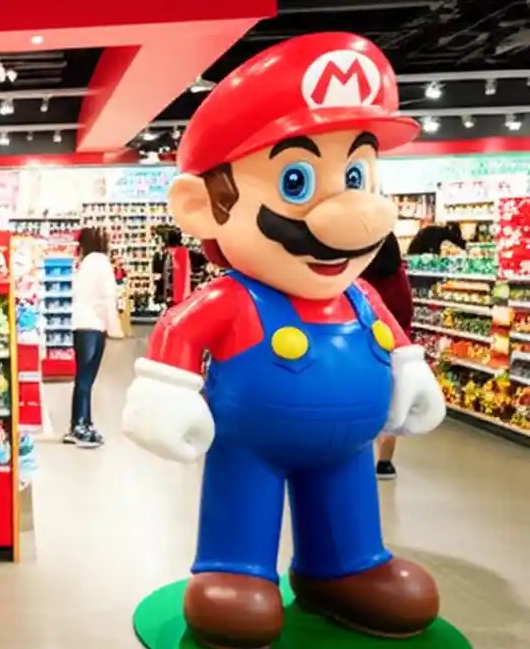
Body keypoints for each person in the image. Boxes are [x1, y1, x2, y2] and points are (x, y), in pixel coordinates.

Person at [120, 33, 445, 647]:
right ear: (203, 205)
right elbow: (179, 331)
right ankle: (234, 567)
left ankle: (346, 566)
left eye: (356, 175)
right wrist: (166, 396)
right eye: (296, 180)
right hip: (251, 445)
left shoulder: (360, 294)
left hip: (349, 446)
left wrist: (409, 371)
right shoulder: (236, 298)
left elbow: (392, 337)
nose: (355, 212)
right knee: (244, 506)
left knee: (347, 498)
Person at [360, 238, 413, 480]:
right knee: (391, 403)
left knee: (358, 402)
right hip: (393, 346)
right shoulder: (398, 275)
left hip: (359, 346)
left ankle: (354, 457)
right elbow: (407, 311)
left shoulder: (357, 275)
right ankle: (385, 463)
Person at [66, 225, 122, 448]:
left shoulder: (86, 263)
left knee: (83, 378)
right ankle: (80, 425)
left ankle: (81, 423)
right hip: (93, 326)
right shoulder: (100, 262)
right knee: (86, 379)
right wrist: (114, 326)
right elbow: (108, 295)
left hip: (80, 323)